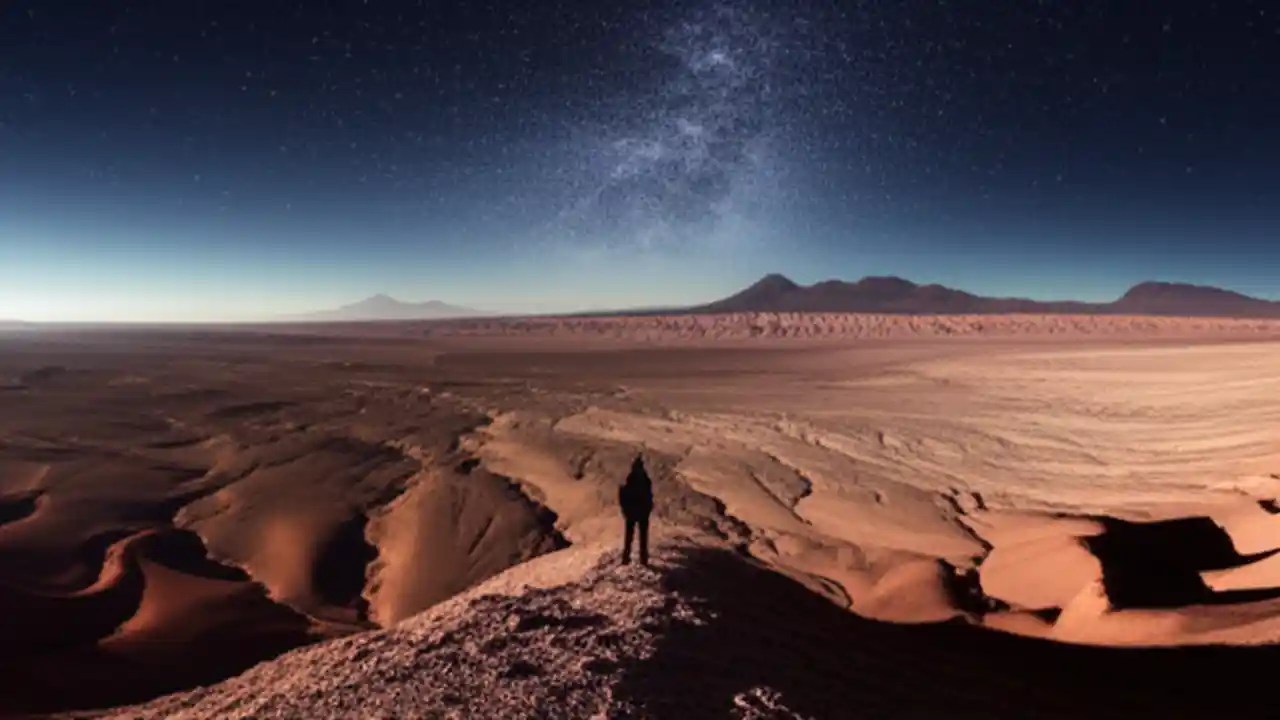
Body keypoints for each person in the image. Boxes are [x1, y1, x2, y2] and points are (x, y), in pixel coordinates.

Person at [619, 454, 654, 565]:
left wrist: (626, 509)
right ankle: (643, 559)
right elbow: (649, 496)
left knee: (629, 537)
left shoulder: (631, 479)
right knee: (642, 538)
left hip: (632, 513)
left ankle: (626, 557)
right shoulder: (646, 480)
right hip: (642, 513)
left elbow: (625, 495)